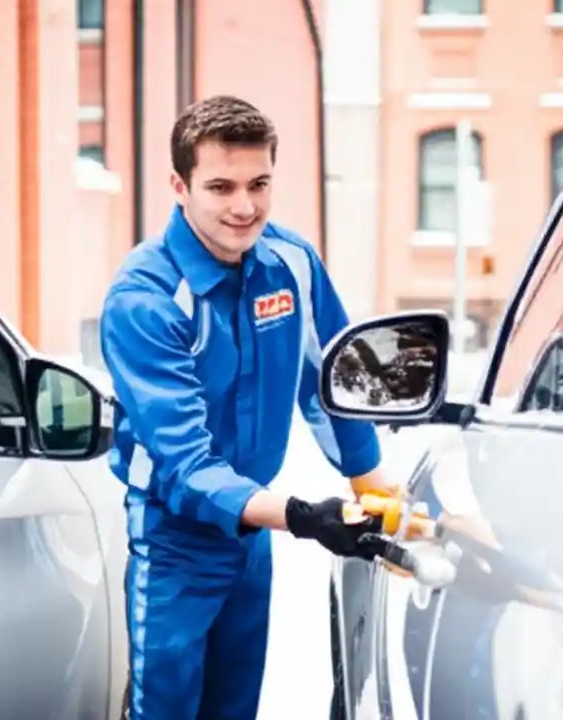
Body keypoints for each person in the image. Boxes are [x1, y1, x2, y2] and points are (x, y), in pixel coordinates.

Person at [99, 95, 396, 720]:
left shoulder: (290, 263)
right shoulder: (145, 297)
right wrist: (304, 517)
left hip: (251, 533)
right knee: (168, 712)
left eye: (259, 184)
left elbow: (331, 380)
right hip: (172, 540)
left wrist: (374, 489)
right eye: (221, 186)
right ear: (180, 186)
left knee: (235, 709)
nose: (245, 207)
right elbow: (185, 464)